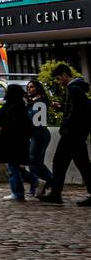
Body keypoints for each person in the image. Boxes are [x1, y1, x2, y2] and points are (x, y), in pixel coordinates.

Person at [39, 62, 91, 206]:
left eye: (58, 78)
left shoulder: (73, 89)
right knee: (80, 164)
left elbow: (76, 113)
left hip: (71, 135)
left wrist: (65, 127)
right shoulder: (77, 88)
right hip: (76, 134)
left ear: (64, 75)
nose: (58, 82)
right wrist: (62, 107)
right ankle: (55, 194)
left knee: (64, 163)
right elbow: (77, 109)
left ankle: (55, 194)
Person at [0, 83, 32, 201]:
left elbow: (0, 121)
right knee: (16, 167)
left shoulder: (11, 107)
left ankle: (18, 192)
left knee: (13, 168)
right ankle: (35, 181)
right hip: (19, 141)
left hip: (11, 141)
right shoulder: (20, 106)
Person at [26, 80, 56, 198]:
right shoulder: (36, 101)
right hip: (37, 134)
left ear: (37, 88)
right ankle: (37, 188)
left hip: (39, 134)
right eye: (28, 87)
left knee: (34, 161)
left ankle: (52, 181)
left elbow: (34, 119)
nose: (29, 89)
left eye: (32, 87)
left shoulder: (40, 102)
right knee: (36, 161)